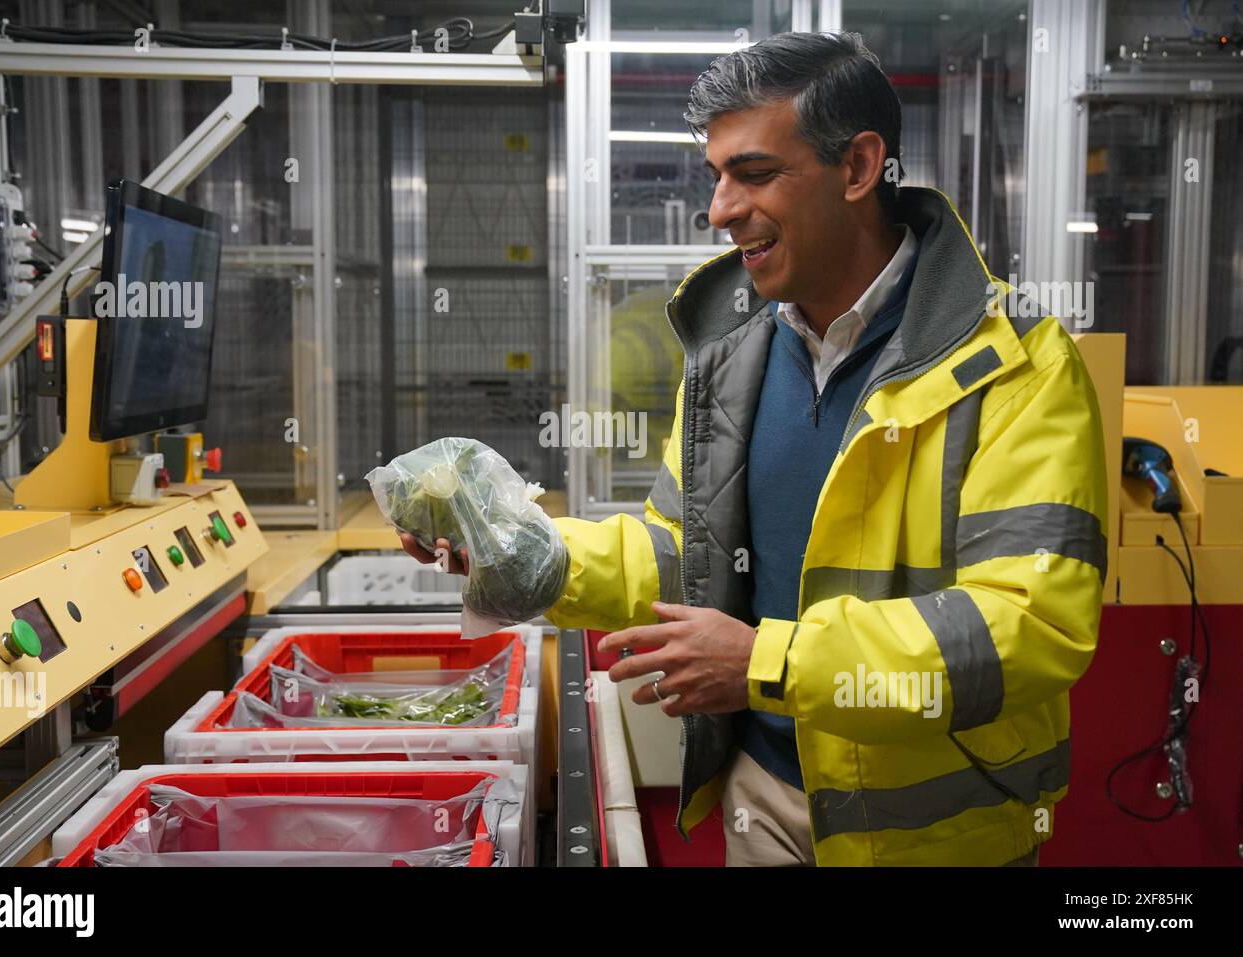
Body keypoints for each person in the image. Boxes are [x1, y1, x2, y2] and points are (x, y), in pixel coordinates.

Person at [402, 31, 1107, 867]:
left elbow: (1026, 629)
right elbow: (679, 553)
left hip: (937, 836)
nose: (720, 209)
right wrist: (525, 551)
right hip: (763, 801)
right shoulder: (732, 357)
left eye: (756, 173)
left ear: (857, 168)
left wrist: (768, 662)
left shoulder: (1016, 366)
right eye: (717, 177)